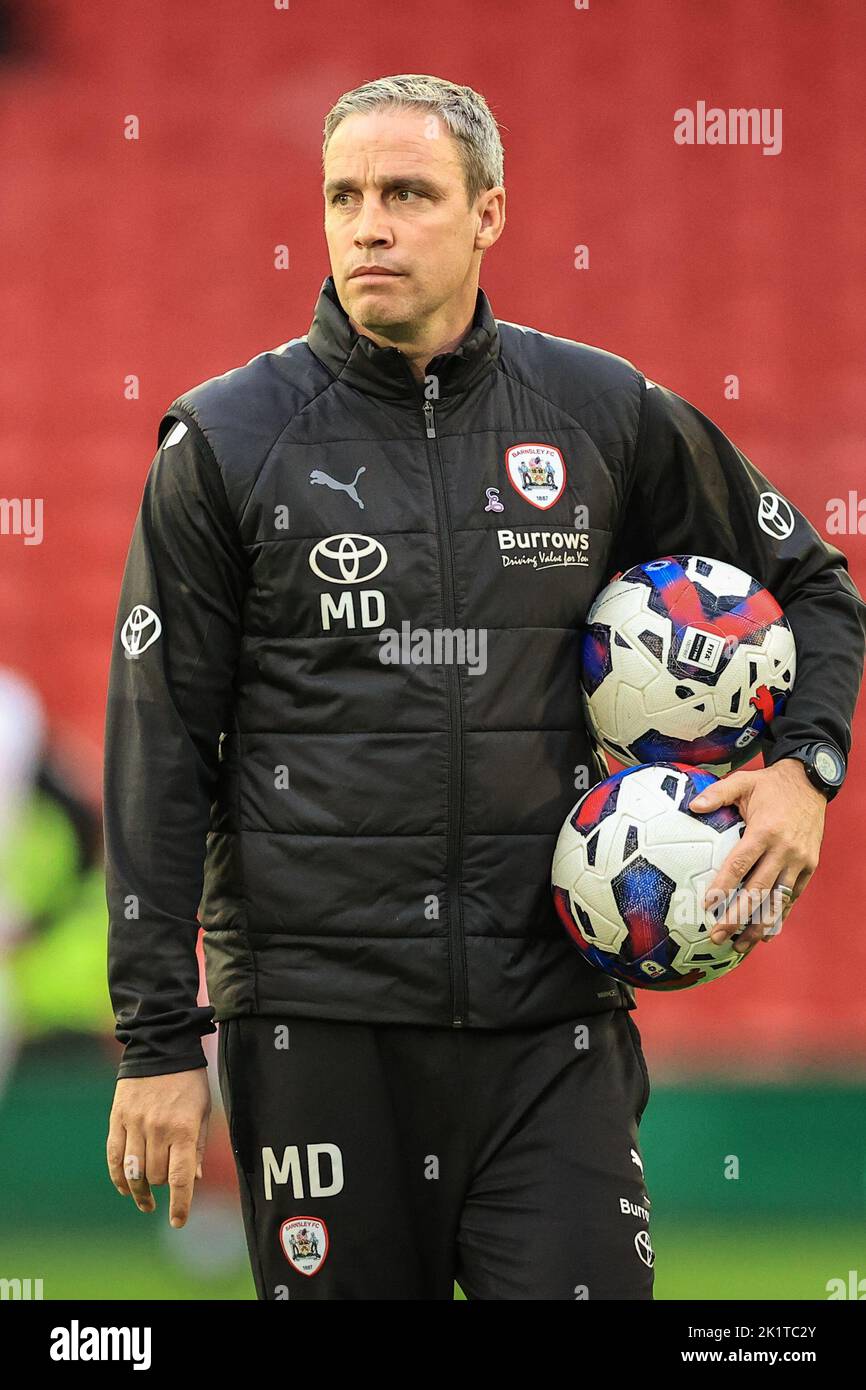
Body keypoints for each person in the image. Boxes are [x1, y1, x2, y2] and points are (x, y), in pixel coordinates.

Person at [103, 73, 866, 1300]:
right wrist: (156, 1041)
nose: (368, 224)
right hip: (317, 1030)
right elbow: (159, 749)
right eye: (343, 195)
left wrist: (803, 766)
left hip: (545, 1024)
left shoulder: (597, 413)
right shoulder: (228, 442)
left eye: (407, 192)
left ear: (489, 213)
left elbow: (813, 586)